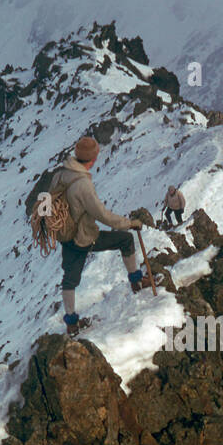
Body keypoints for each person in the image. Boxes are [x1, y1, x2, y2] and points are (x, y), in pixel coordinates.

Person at [49, 136, 150, 336]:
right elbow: (103, 215)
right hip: (83, 238)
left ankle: (71, 323)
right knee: (125, 239)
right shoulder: (83, 185)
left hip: (65, 236)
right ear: (92, 159)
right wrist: (130, 223)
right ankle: (136, 282)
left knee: (69, 279)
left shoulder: (60, 175)